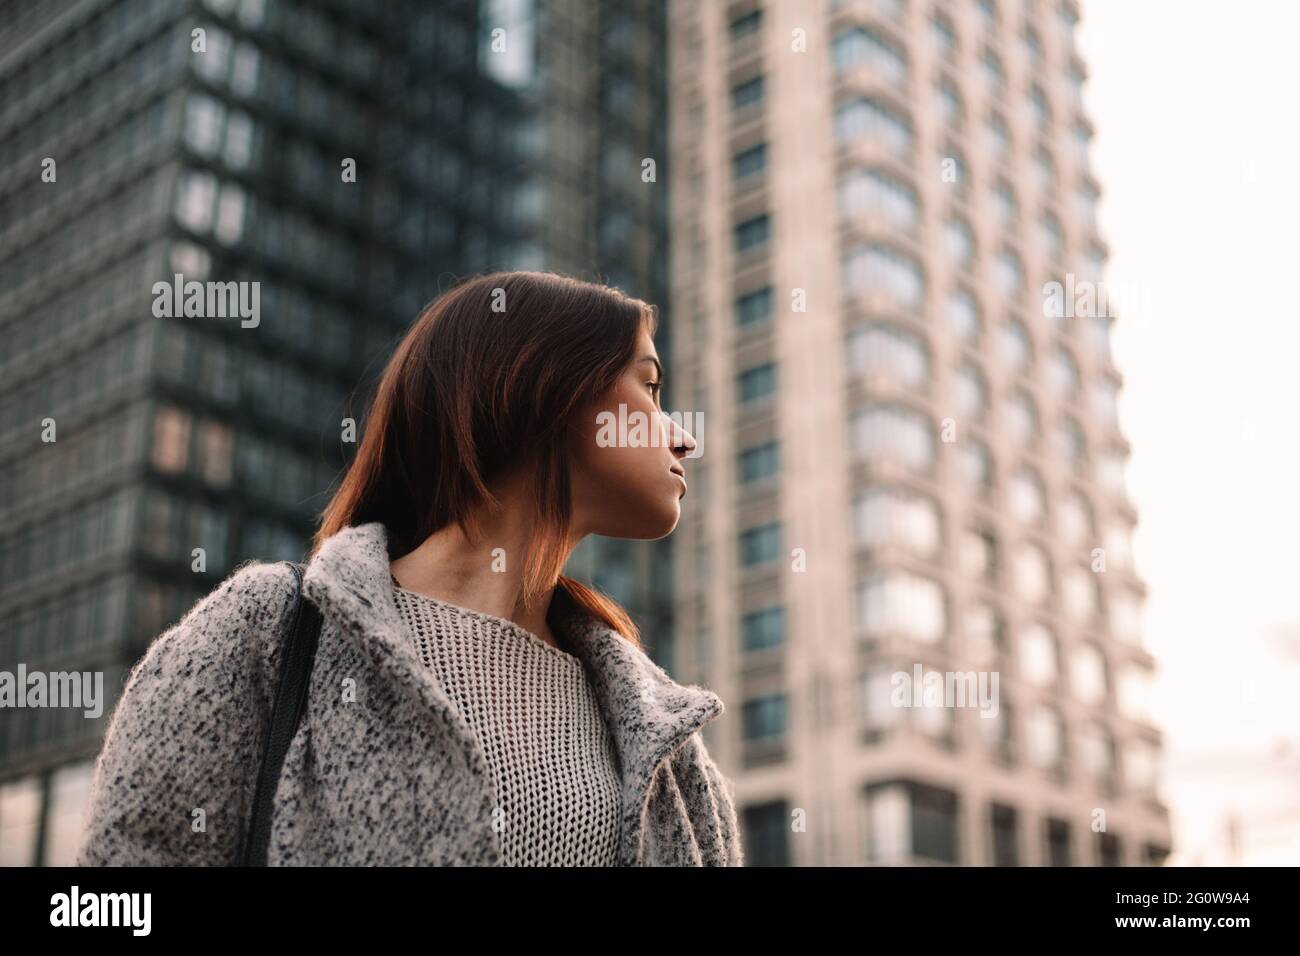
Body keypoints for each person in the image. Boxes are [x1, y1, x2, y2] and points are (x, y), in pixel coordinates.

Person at [76, 270, 743, 866]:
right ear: (546, 386)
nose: (682, 435)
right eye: (650, 387)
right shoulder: (265, 638)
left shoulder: (671, 749)